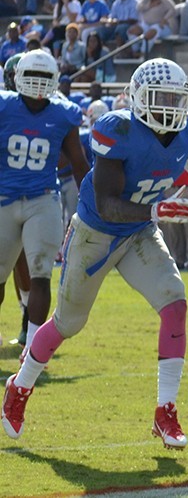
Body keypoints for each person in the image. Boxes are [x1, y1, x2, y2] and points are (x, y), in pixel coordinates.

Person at [2, 59, 188, 448]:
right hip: (96, 232)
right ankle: (21, 385)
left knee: (175, 302)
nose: (168, 105)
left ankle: (165, 411)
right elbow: (108, 202)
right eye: (159, 97)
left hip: (140, 232)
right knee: (68, 323)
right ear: (137, 98)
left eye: (174, 98)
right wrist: (158, 210)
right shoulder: (120, 129)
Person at [0, 51, 90, 367]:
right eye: (33, 76)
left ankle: (33, 351)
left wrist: (92, 205)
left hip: (42, 199)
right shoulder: (4, 106)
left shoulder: (64, 114)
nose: (38, 84)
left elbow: (79, 163)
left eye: (44, 77)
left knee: (40, 274)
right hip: (4, 199)